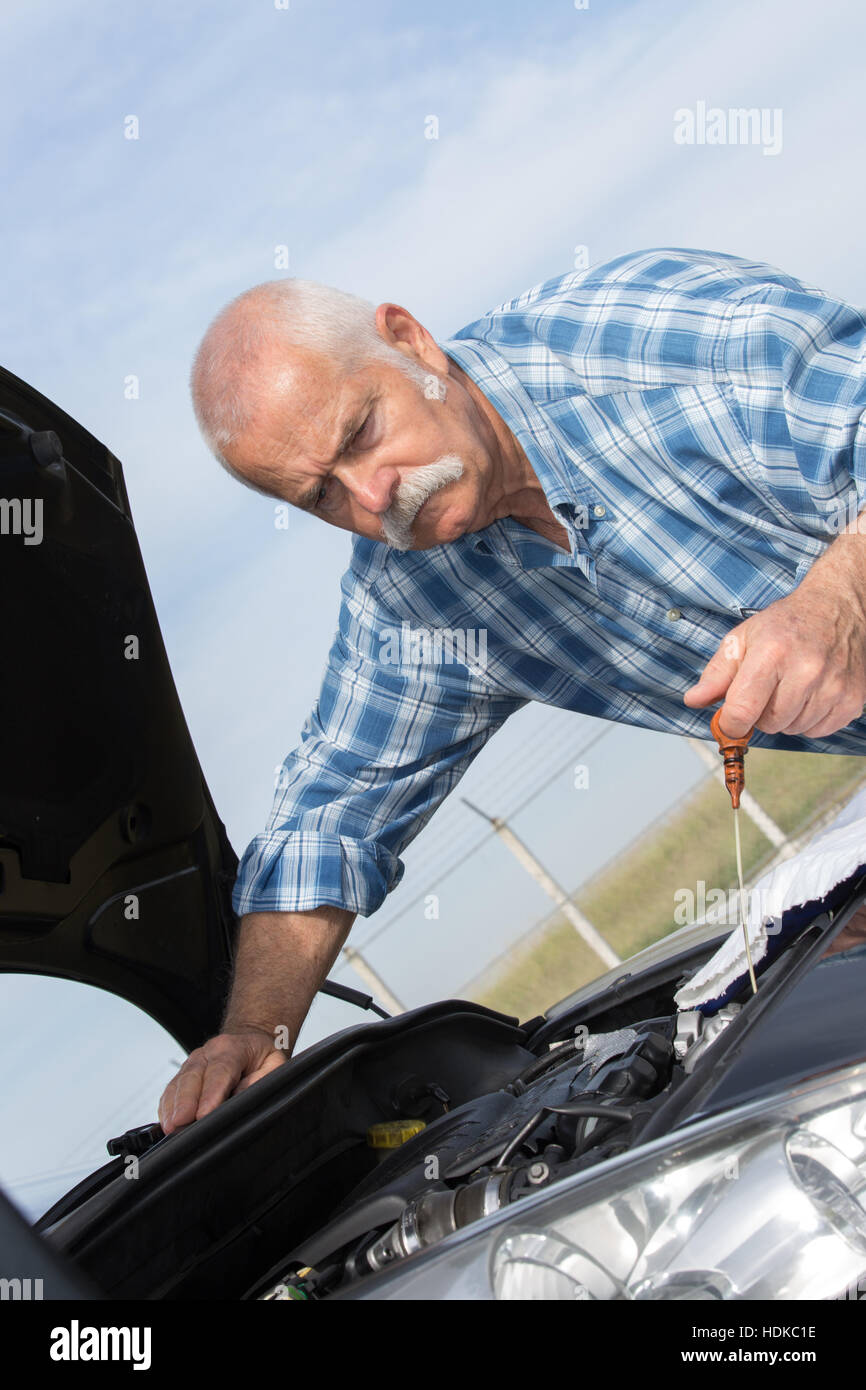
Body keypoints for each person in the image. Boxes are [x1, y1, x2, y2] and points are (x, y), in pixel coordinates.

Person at [157, 247, 866, 1134]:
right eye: (322, 498)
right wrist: (250, 1031)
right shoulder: (413, 598)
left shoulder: (636, 338)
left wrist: (843, 596)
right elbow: (329, 817)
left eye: (361, 435)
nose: (376, 499)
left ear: (412, 344)